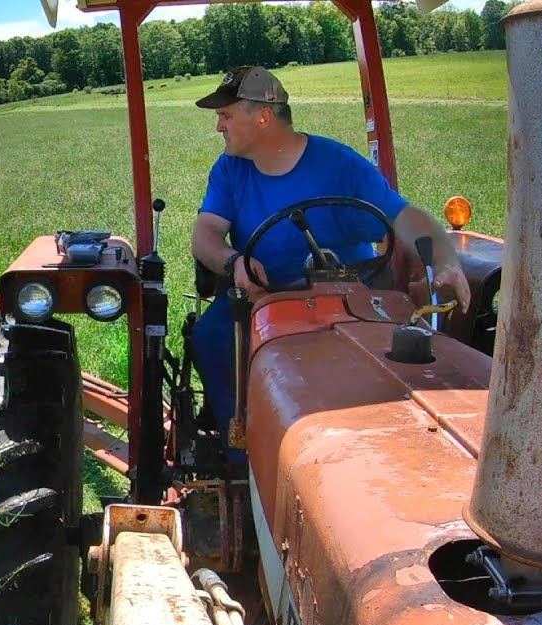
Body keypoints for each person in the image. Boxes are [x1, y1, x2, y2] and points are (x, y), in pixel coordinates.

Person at [189, 65, 470, 465]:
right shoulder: (230, 170)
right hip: (264, 296)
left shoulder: (340, 164)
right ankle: (244, 452)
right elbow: (205, 237)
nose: (219, 126)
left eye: (226, 115)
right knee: (212, 338)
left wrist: (446, 259)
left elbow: (406, 217)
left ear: (263, 116)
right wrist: (235, 262)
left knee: (400, 352)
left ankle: (398, 443)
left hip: (348, 294)